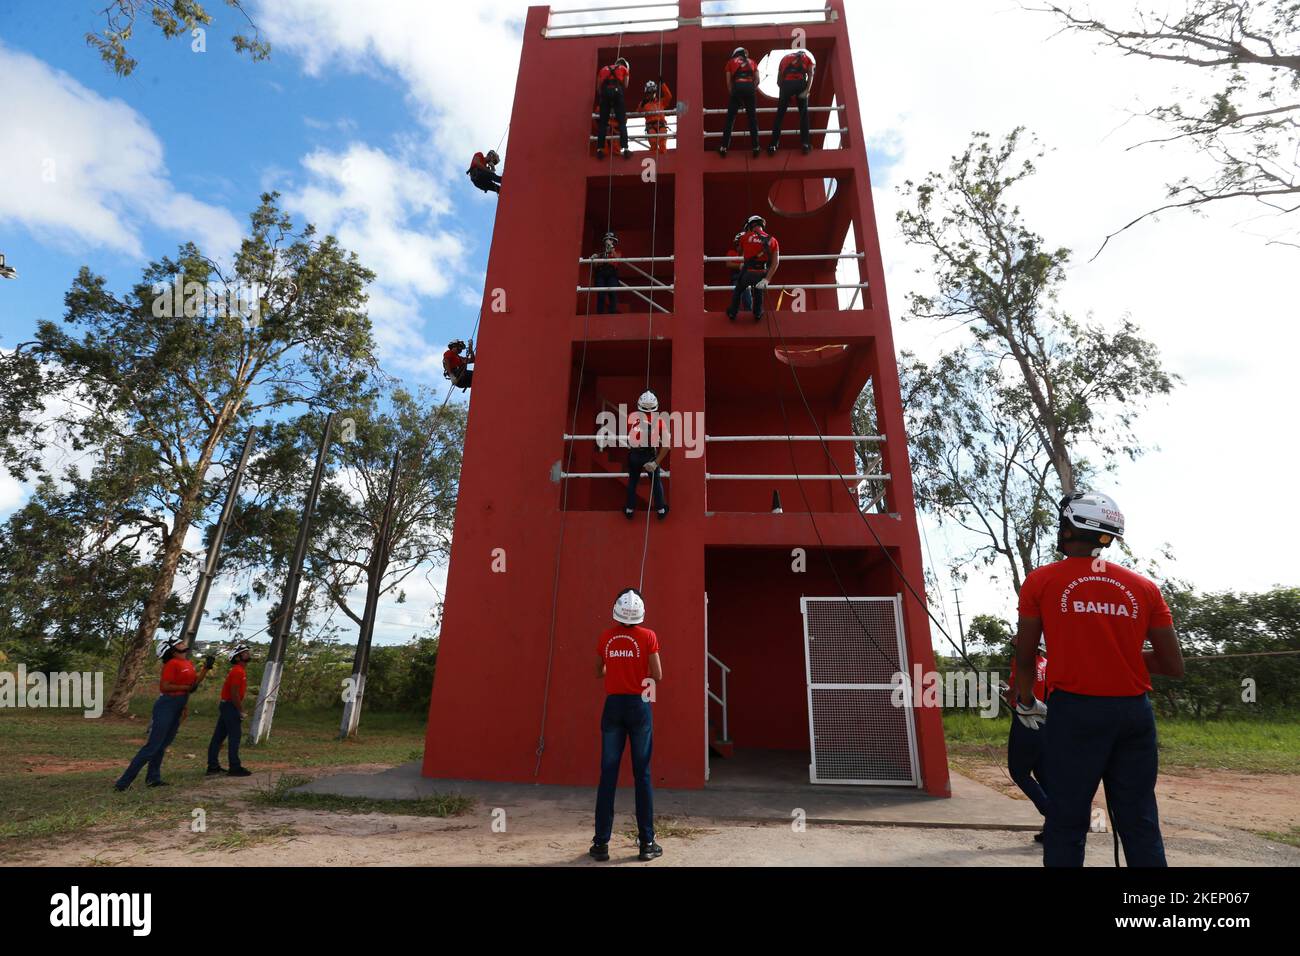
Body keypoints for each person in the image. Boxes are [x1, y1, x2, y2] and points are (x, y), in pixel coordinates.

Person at [1014, 492, 1185, 867]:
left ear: (1073, 528)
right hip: (1135, 716)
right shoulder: (1144, 588)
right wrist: (1118, 657)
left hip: (1075, 713)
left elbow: (1025, 654)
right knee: (1139, 821)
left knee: (1066, 820)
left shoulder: (1041, 581)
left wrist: (1026, 700)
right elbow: (1173, 664)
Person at [591, 587, 664, 863]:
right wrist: (636, 670)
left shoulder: (605, 637)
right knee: (642, 774)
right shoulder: (649, 636)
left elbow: (597, 671)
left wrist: (615, 668)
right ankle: (646, 843)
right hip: (639, 706)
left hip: (613, 708)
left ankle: (600, 845)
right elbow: (657, 674)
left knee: (607, 775)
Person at [114, 639, 214, 791]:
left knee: (162, 745)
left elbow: (193, 683)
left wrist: (206, 669)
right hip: (167, 705)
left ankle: (153, 778)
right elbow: (165, 686)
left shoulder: (187, 663)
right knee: (153, 746)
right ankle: (123, 783)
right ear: (172, 650)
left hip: (178, 705)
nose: (183, 644)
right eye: (179, 643)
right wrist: (186, 688)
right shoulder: (172, 664)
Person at [1005, 635, 1050, 841]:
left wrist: (1007, 693)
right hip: (1045, 723)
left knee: (1019, 772)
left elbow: (1016, 692)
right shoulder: (1047, 664)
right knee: (1043, 773)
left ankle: (1053, 813)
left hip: (1025, 721)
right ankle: (1052, 829)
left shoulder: (1022, 663)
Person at [206, 644, 252, 778]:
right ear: (238, 658)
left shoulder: (239, 670)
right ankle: (235, 767)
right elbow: (234, 693)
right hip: (230, 706)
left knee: (218, 737)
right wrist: (241, 710)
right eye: (245, 653)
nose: (248, 654)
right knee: (235, 736)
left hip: (227, 705)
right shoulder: (238, 671)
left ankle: (213, 766)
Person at [726, 215, 780, 322]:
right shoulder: (773, 240)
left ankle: (732, 313)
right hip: (762, 273)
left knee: (738, 290)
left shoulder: (744, 237)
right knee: (759, 291)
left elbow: (740, 253)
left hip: (748, 273)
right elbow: (775, 262)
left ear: (750, 226)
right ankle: (757, 313)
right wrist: (767, 279)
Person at [624, 390, 668, 520]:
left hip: (634, 455)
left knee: (632, 481)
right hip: (650, 456)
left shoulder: (631, 417)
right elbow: (666, 445)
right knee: (656, 483)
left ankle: (629, 510)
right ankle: (661, 510)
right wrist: (655, 463)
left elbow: (630, 437)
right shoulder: (660, 421)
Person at [768, 48, 816, 155]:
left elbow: (779, 80)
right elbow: (811, 74)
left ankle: (773, 145)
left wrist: (785, 95)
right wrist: (807, 91)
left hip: (786, 85)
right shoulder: (807, 58)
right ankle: (805, 144)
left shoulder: (784, 58)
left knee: (779, 116)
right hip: (800, 83)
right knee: (803, 115)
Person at [718, 47, 761, 158]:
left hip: (737, 87)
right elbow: (757, 79)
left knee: (730, 119)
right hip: (750, 88)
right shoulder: (752, 62)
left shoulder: (730, 62)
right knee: (752, 119)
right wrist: (751, 89)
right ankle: (756, 147)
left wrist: (734, 94)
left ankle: (724, 147)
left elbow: (728, 82)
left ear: (735, 54)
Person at [595, 57, 632, 159]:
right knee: (622, 122)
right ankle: (625, 149)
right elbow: (625, 85)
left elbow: (598, 89)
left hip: (605, 94)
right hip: (617, 91)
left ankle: (600, 149)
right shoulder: (624, 69)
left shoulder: (603, 69)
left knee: (603, 123)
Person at [638, 79, 674, 153]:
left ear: (655, 92)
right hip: (650, 126)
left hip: (661, 125)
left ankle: (663, 159)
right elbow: (638, 112)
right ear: (646, 93)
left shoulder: (661, 102)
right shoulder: (644, 104)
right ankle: (654, 158)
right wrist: (642, 105)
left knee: (662, 143)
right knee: (653, 142)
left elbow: (669, 96)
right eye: (649, 92)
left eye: (652, 92)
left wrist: (663, 84)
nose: (651, 94)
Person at [593, 232, 622, 315]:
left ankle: (612, 312)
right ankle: (600, 313)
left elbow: (618, 260)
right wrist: (594, 258)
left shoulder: (618, 252)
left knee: (612, 292)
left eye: (611, 240)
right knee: (600, 293)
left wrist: (611, 248)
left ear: (614, 242)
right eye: (607, 240)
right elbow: (595, 266)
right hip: (601, 274)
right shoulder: (600, 254)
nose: (609, 242)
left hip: (612, 274)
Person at [725, 231, 752, 314]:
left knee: (748, 297)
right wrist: (741, 266)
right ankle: (736, 310)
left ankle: (749, 311)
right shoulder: (731, 252)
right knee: (737, 295)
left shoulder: (751, 253)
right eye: (738, 243)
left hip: (749, 278)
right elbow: (728, 264)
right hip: (737, 277)